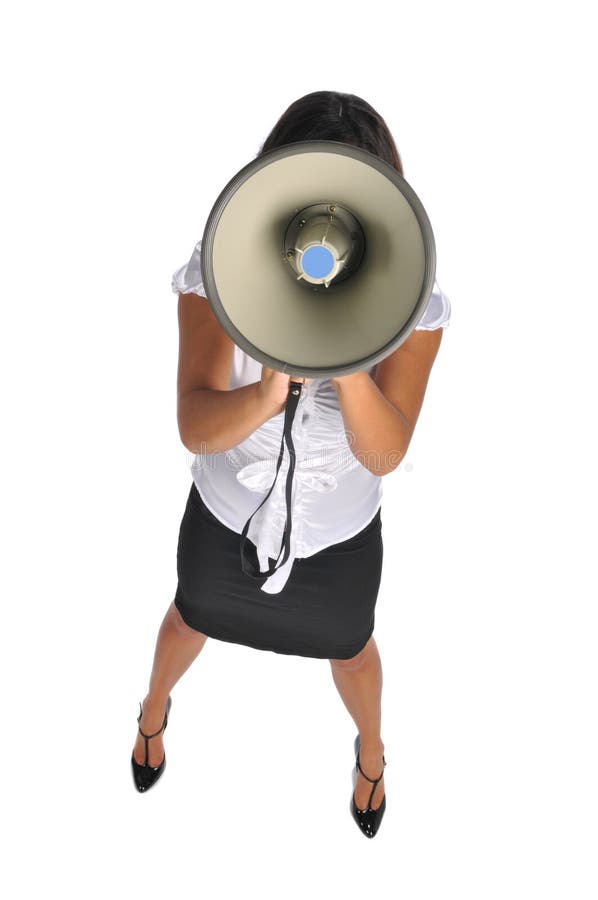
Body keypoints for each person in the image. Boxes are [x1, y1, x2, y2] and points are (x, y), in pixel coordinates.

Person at [130, 90, 451, 838]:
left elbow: (383, 451)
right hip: (225, 515)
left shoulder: (411, 309)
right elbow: (196, 426)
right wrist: (271, 385)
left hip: (337, 535)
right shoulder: (214, 281)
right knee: (188, 616)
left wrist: (344, 353)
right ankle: (151, 715)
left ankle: (371, 755)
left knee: (351, 648)